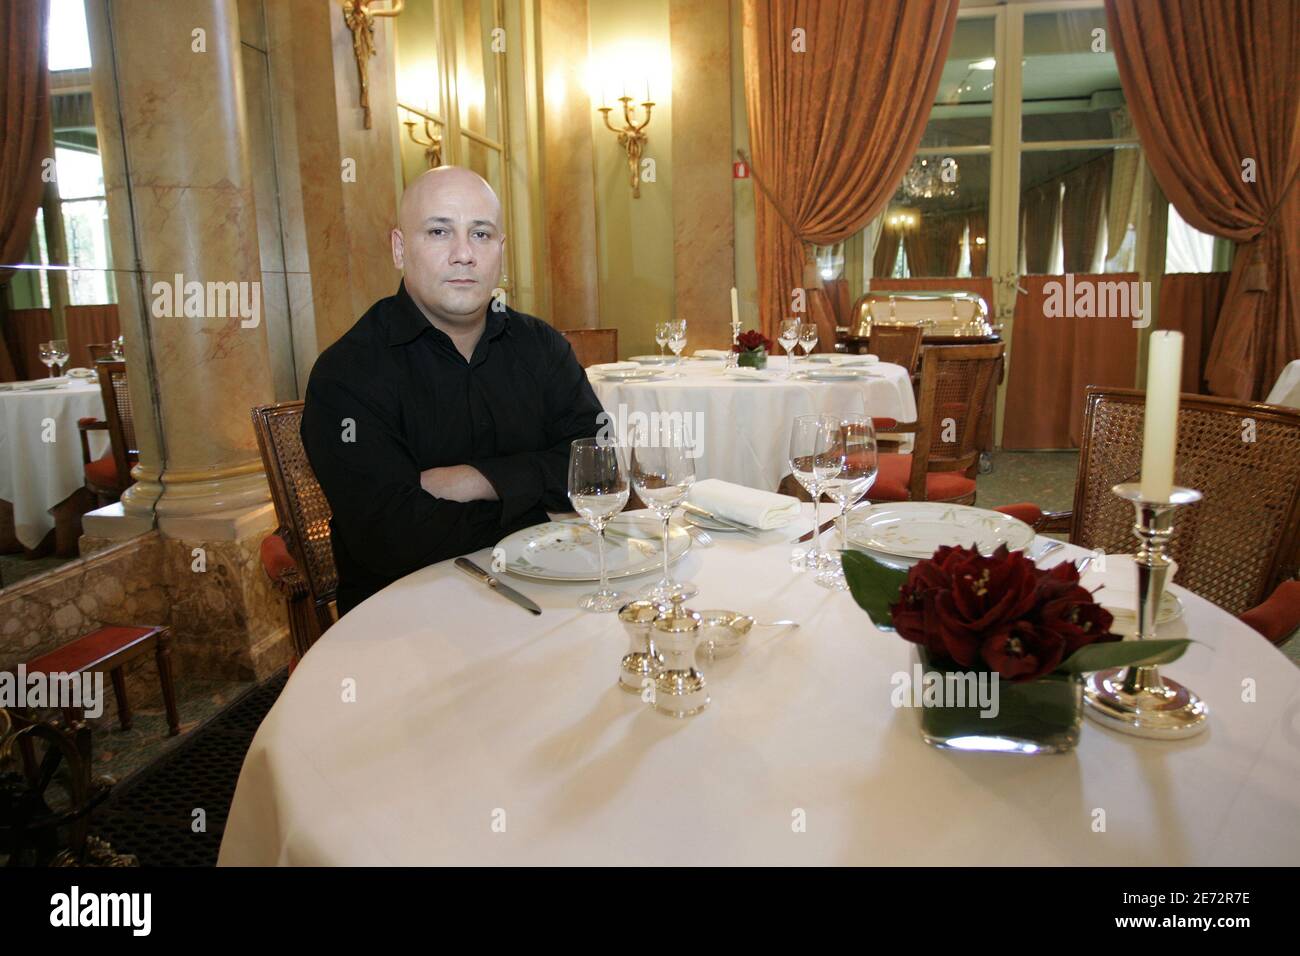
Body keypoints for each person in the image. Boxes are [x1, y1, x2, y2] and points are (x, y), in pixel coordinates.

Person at [301, 166, 602, 615]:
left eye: (481, 235)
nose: (464, 254)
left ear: (501, 250)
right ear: (400, 248)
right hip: (408, 620)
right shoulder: (348, 372)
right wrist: (545, 510)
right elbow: (392, 539)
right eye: (440, 231)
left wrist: (475, 480)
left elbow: (597, 466)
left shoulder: (542, 347)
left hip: (553, 598)